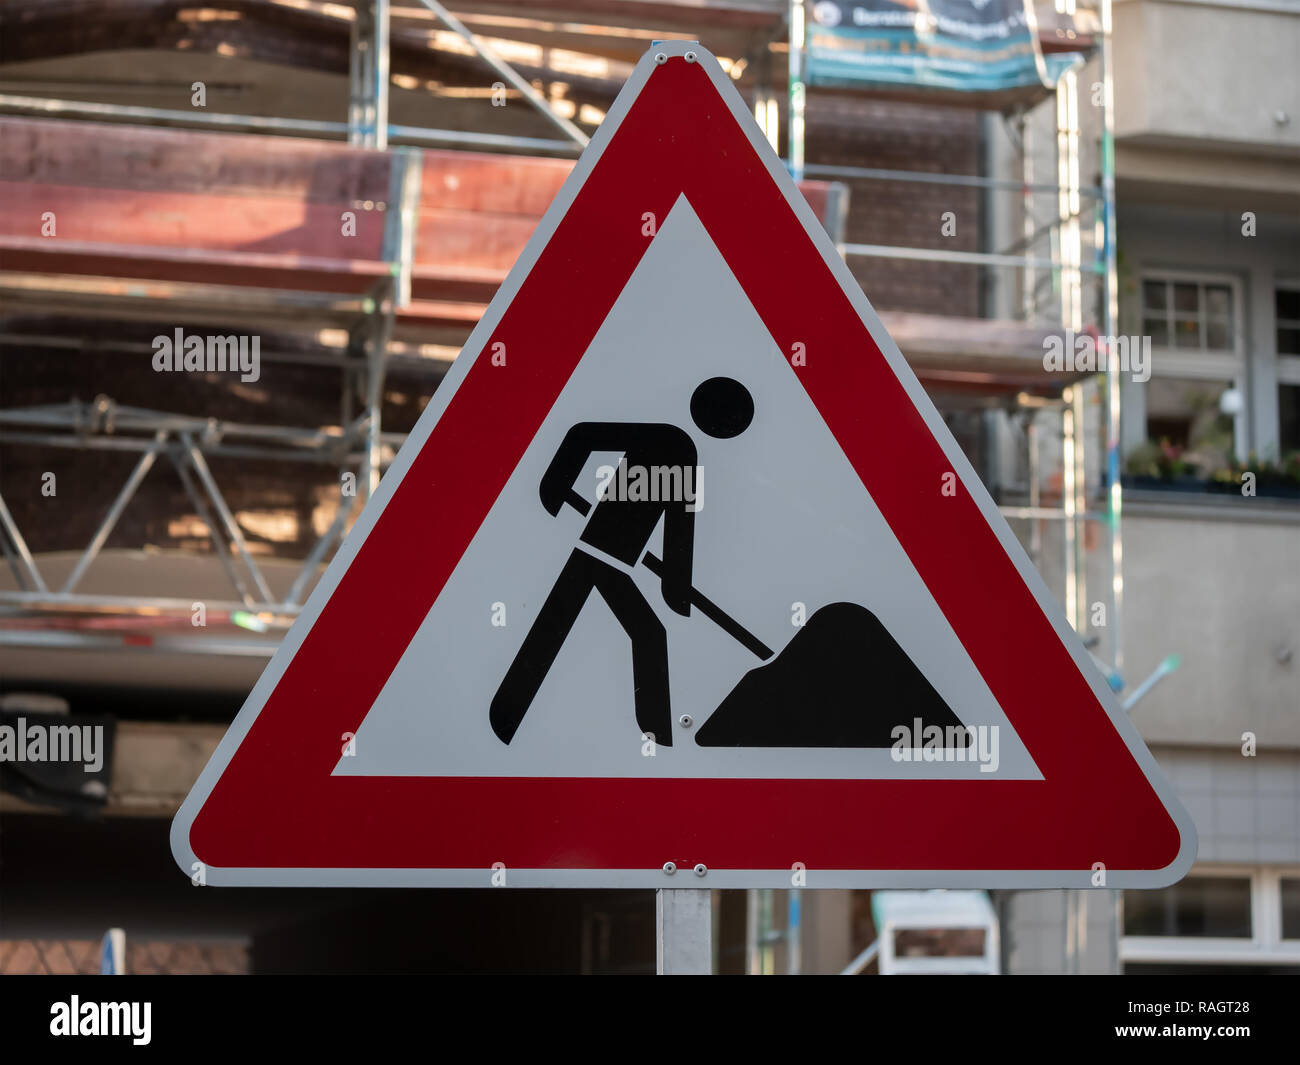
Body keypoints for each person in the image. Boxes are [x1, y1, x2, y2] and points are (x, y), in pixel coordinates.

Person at [489, 377, 754, 745]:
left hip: (609, 560)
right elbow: (584, 435)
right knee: (638, 633)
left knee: (563, 625)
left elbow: (678, 528)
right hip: (601, 555)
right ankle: (658, 738)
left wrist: (675, 586)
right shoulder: (674, 445)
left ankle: (504, 716)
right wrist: (554, 486)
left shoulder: (677, 447)